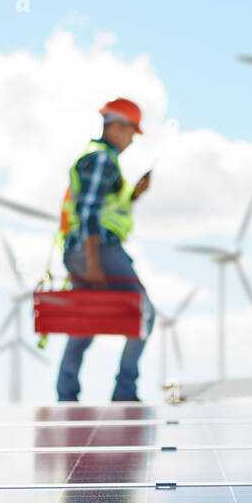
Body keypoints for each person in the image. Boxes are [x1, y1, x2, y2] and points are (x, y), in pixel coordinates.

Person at [56, 98, 155, 403]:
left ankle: (66, 394)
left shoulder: (98, 158)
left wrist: (133, 195)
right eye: (130, 132)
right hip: (97, 250)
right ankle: (125, 390)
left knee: (85, 321)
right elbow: (87, 212)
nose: (131, 140)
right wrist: (94, 262)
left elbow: (104, 206)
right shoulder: (101, 159)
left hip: (82, 250)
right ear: (115, 126)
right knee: (145, 313)